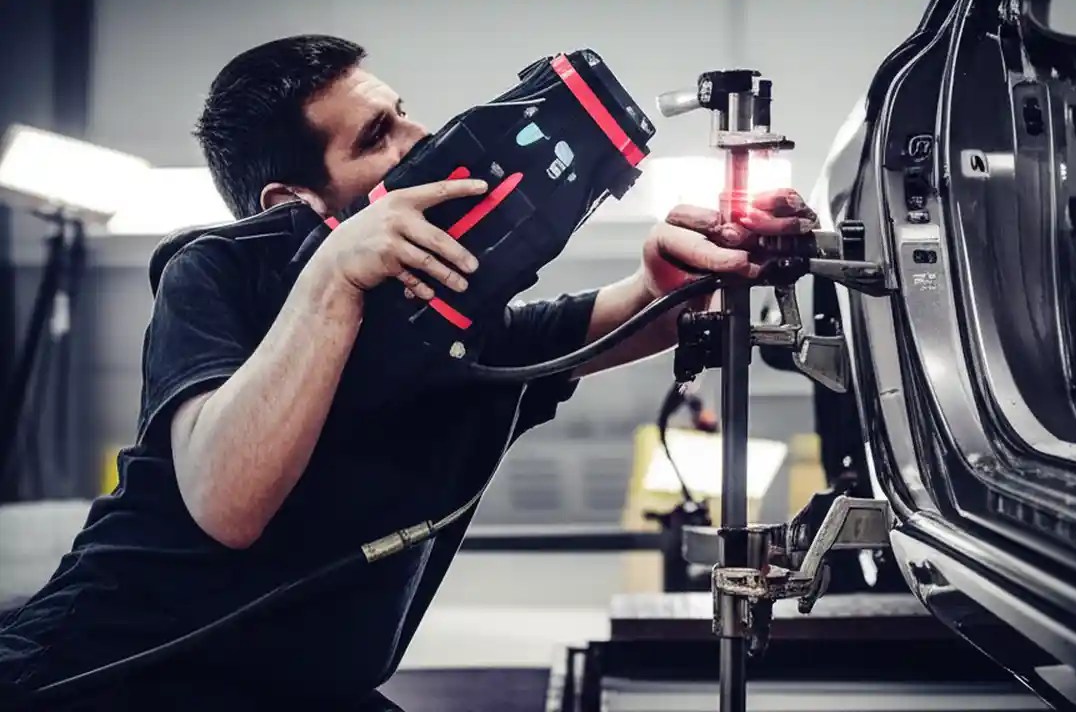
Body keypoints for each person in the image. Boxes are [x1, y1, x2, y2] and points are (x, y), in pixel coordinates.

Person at [0, 35, 816, 710]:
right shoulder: (215, 270)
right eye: (374, 138)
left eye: (399, 114)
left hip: (306, 690)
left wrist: (679, 277)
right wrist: (333, 275)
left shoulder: (456, 322)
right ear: (294, 204)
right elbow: (225, 502)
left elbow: (627, 315)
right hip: (98, 675)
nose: (417, 139)